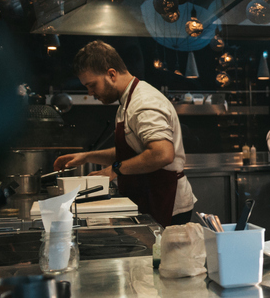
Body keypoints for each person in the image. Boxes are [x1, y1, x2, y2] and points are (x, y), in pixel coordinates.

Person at [53, 41, 197, 227]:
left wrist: (114, 169)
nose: (91, 92)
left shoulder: (144, 103)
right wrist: (87, 157)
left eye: (92, 85)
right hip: (150, 196)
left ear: (111, 74)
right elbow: (131, 152)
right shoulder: (127, 101)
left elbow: (162, 154)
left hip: (166, 201)